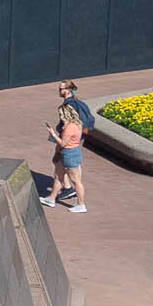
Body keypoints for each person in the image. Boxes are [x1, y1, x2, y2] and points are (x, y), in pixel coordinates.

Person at [52, 80, 95, 210]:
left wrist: (56, 137)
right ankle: (56, 194)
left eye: (61, 89)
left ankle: (79, 201)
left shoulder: (69, 106)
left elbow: (66, 128)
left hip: (68, 142)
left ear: (68, 90)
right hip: (74, 142)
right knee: (60, 168)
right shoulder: (78, 102)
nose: (59, 91)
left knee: (75, 178)